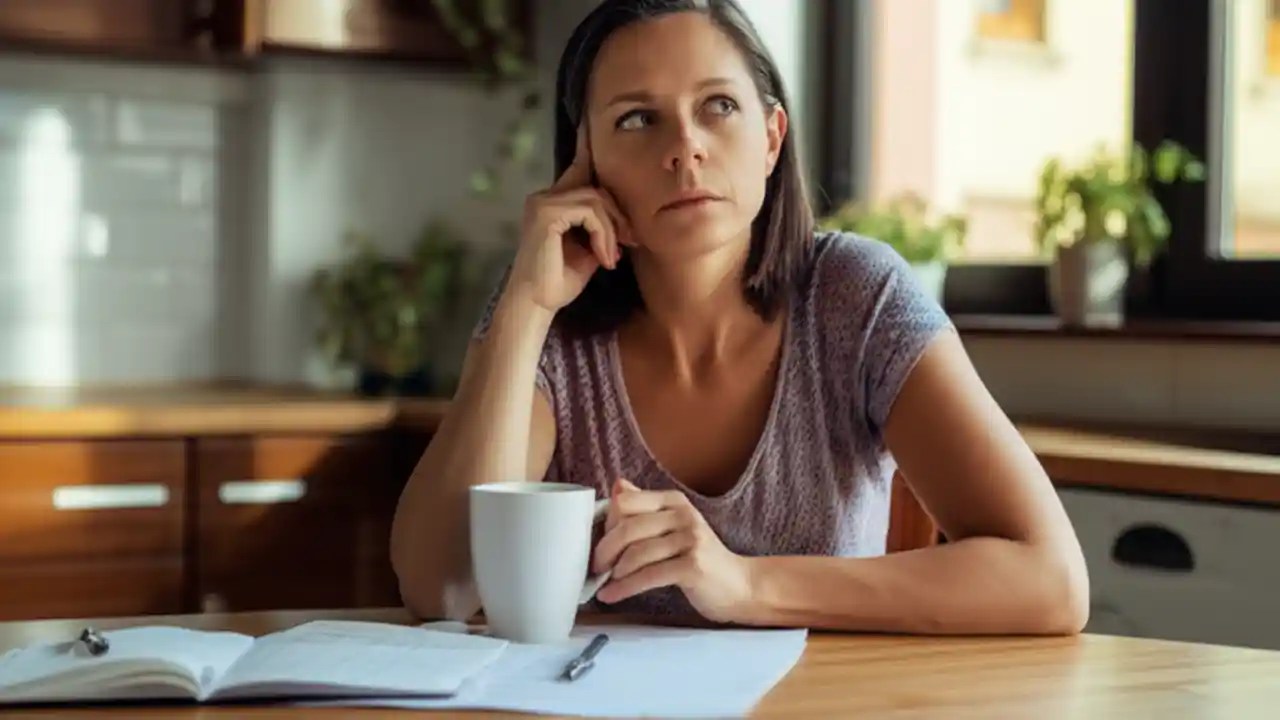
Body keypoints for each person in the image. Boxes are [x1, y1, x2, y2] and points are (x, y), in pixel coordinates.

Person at [391, 0, 1089, 634]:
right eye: (637, 118)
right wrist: (524, 308)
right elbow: (440, 588)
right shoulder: (548, 317)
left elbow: (1050, 581)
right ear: (588, 161)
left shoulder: (856, 296)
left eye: (719, 106)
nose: (685, 147)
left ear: (772, 138)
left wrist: (744, 582)